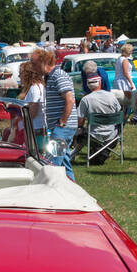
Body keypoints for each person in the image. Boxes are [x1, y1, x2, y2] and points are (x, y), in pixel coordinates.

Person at [41, 47, 76, 180]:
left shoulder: (59, 75)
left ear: (44, 62)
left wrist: (62, 122)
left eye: (35, 63)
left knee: (52, 166)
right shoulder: (50, 77)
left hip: (62, 128)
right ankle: (74, 191)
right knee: (65, 165)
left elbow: (70, 100)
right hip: (60, 127)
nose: (33, 67)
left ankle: (50, 193)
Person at [77, 73, 124, 165]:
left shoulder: (86, 99)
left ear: (88, 85)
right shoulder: (111, 96)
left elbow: (80, 121)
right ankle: (102, 152)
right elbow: (118, 112)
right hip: (112, 135)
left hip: (93, 135)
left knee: (78, 131)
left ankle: (73, 154)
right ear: (100, 83)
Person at [18, 60, 47, 151]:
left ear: (27, 74)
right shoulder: (36, 87)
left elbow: (33, 111)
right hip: (36, 128)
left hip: (35, 130)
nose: (19, 76)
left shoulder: (34, 88)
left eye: (21, 73)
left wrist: (20, 118)